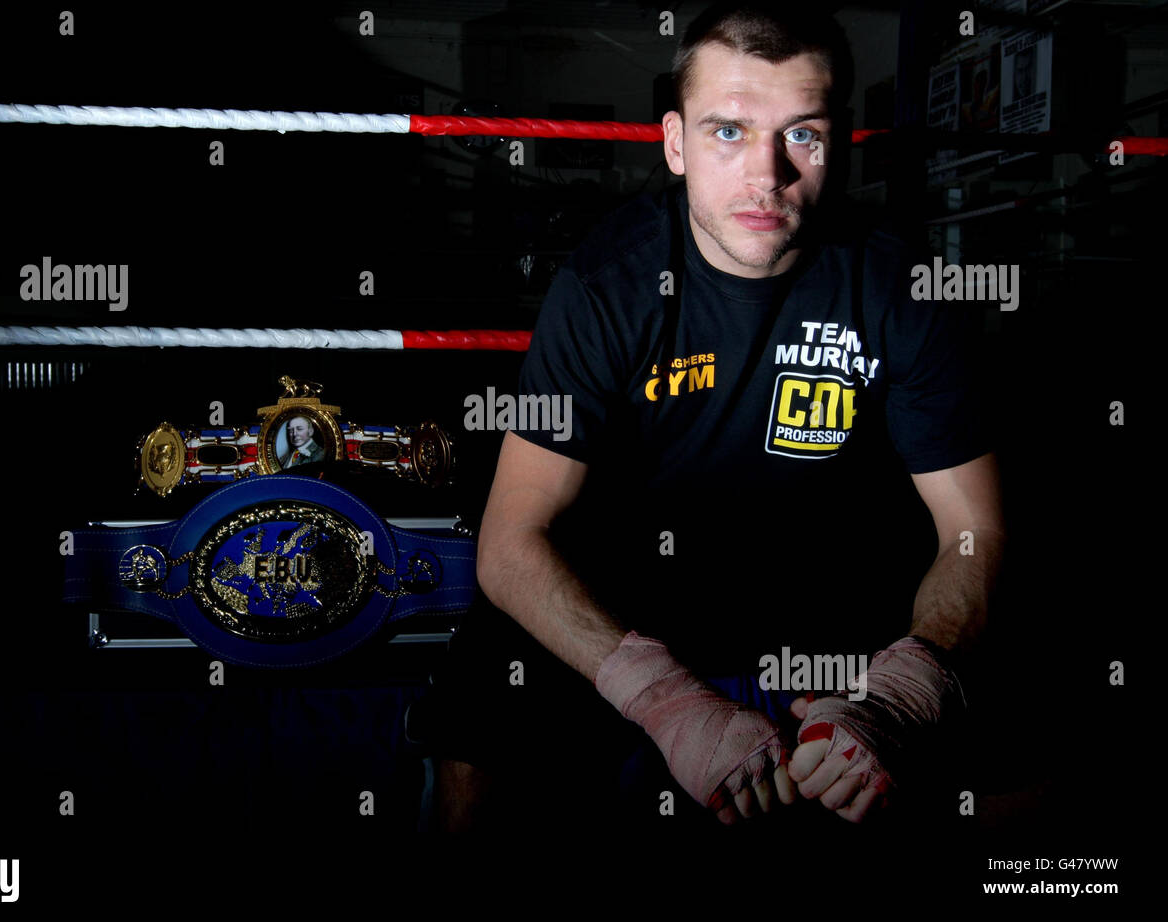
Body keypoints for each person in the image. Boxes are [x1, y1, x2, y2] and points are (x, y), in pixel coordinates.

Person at [420, 0, 1004, 834]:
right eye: (729, 131)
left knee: (1036, 712)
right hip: (638, 589)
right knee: (485, 691)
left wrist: (902, 692)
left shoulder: (898, 286)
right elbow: (511, 543)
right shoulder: (609, 284)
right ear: (676, 143)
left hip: (833, 585)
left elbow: (974, 531)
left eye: (802, 134)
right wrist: (663, 699)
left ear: (838, 141)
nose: (768, 175)